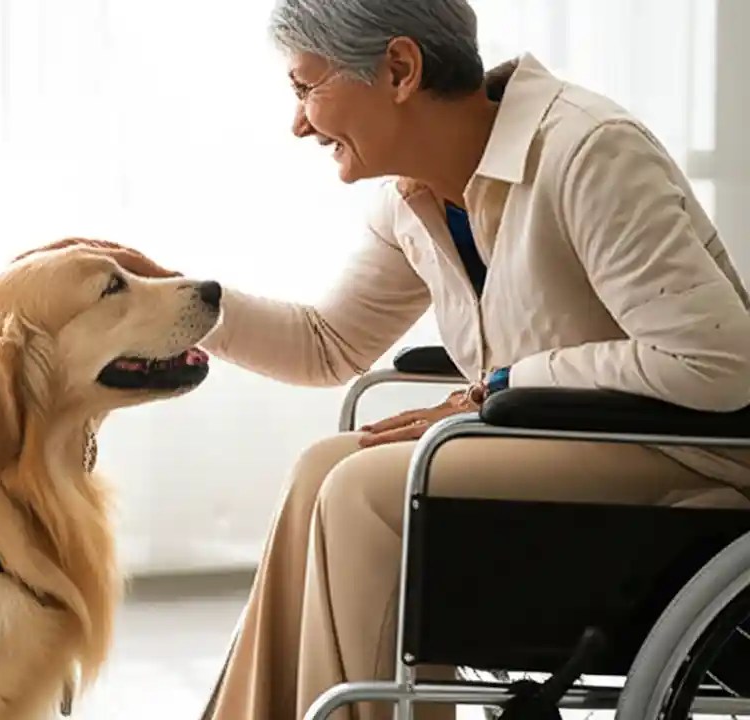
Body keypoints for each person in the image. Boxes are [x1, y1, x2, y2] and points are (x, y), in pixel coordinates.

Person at [171, 1, 750, 719]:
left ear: (399, 69)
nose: (298, 124)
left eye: (305, 89)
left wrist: (501, 385)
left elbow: (718, 363)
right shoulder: (411, 201)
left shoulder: (586, 151)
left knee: (367, 491)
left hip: (687, 459)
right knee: (321, 465)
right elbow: (327, 344)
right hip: (557, 441)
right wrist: (175, 302)